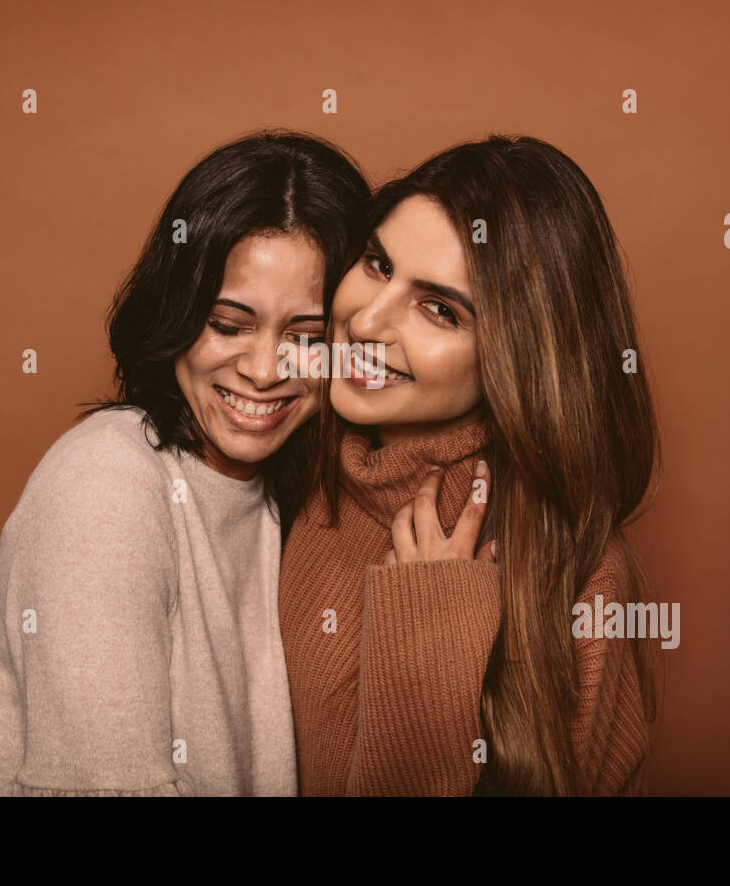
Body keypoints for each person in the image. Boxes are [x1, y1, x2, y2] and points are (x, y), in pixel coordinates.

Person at [0, 130, 371, 795]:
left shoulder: (291, 496)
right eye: (227, 323)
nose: (265, 370)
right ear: (176, 312)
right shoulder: (105, 480)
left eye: (305, 338)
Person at [280, 134, 663, 796]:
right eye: (376, 263)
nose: (366, 320)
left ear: (517, 357)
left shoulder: (575, 566)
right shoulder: (310, 476)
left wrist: (428, 629)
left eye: (439, 309)